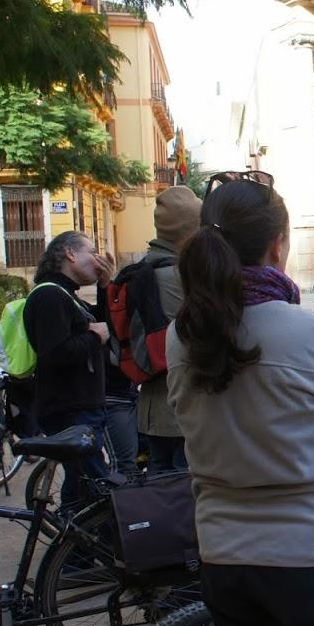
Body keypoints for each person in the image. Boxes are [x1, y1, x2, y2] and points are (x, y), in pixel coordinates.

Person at [166, 170, 314, 626]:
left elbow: (180, 412)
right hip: (313, 558)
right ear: (278, 245)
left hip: (225, 557)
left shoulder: (181, 333)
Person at [25, 230, 114, 506]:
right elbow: (55, 353)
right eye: (91, 251)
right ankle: (88, 546)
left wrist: (104, 284)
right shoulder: (50, 296)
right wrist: (94, 337)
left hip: (81, 407)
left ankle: (77, 547)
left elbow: (105, 325)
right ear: (70, 254)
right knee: (97, 488)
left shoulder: (67, 295)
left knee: (81, 488)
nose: (98, 258)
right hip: (71, 410)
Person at [139, 185, 201, 471]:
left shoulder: (144, 268)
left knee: (158, 487)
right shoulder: (179, 275)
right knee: (179, 497)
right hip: (181, 408)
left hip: (151, 406)